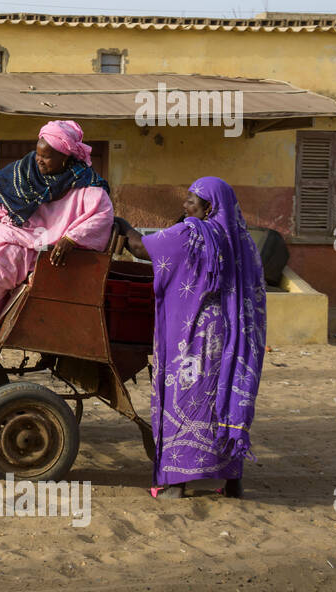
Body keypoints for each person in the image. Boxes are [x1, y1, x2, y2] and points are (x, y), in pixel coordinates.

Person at [114, 178, 265, 500]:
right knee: (221, 400)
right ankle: (232, 481)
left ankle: (177, 484)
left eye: (192, 201)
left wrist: (122, 225)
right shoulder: (243, 241)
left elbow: (142, 248)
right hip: (231, 338)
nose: (185, 206)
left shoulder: (193, 234)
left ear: (209, 207)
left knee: (186, 397)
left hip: (194, 335)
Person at [0, 121, 113, 335]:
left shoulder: (87, 185)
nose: (39, 160)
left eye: (47, 156)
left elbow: (101, 216)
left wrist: (71, 238)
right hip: (9, 227)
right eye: (38, 154)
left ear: (65, 157)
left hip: (37, 245)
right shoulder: (24, 169)